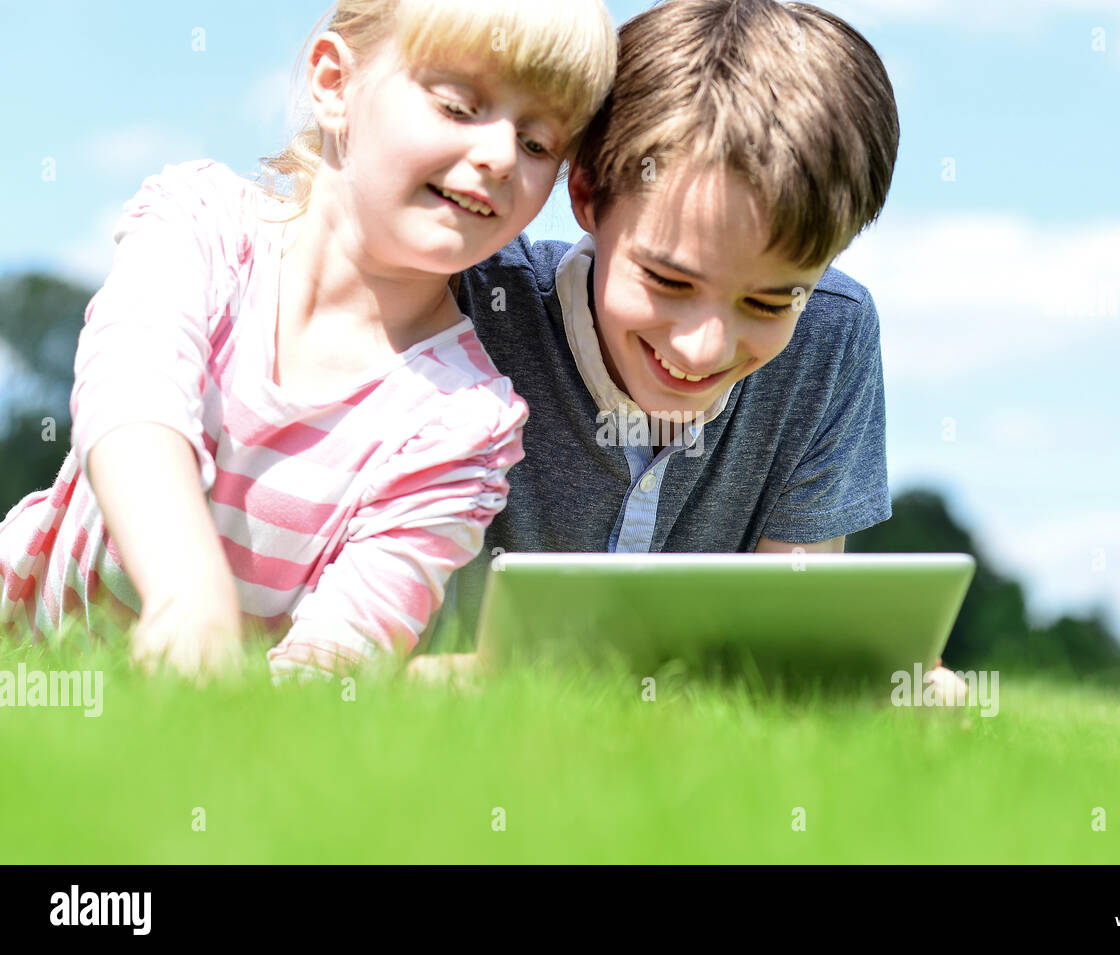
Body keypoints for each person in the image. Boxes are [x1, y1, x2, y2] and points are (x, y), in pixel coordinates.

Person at [0, 0, 618, 681]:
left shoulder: (467, 420)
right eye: (459, 106)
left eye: (537, 144)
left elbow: (332, 670)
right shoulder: (201, 226)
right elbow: (129, 398)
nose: (501, 155)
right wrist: (187, 593)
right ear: (333, 84)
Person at [414, 0, 924, 683]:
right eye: (667, 281)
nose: (702, 350)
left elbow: (790, 648)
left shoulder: (831, 337)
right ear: (588, 195)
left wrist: (869, 685)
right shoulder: (467, 301)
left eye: (771, 301)